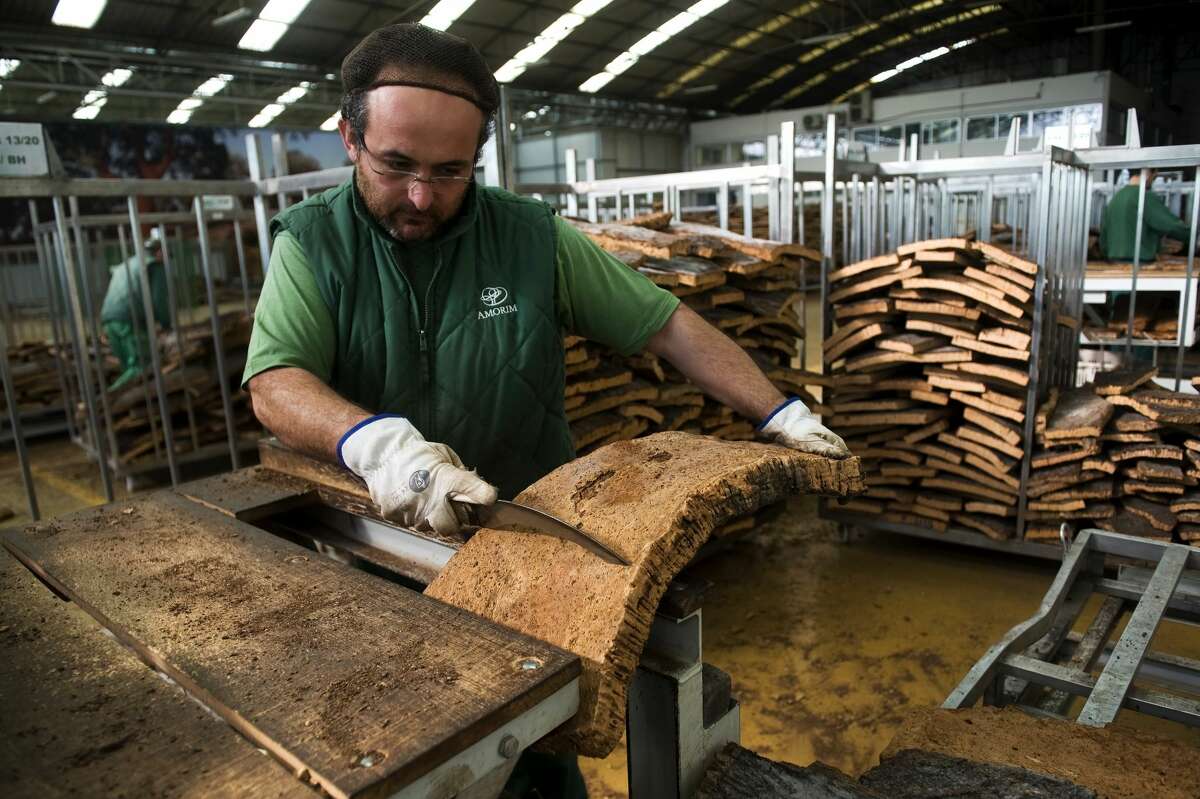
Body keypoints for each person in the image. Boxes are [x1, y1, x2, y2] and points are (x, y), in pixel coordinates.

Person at [241, 23, 849, 796]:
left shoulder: (529, 240)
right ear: (349, 138)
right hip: (381, 565)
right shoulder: (313, 243)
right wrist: (377, 444)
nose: (422, 196)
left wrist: (780, 414)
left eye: (450, 171)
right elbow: (275, 381)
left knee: (538, 754)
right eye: (396, 166)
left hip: (531, 568)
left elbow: (666, 324)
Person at [101, 235, 171, 391]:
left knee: (128, 368)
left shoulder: (127, 264)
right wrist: (167, 325)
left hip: (109, 318)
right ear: (159, 252)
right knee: (141, 366)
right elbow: (159, 300)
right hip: (129, 319)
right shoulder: (153, 266)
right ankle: (105, 402)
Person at [1099, 168, 1194, 262]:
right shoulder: (1144, 196)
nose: (1153, 181)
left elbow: (1103, 240)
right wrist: (1193, 235)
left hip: (1114, 264)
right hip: (1139, 264)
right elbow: (1170, 225)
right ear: (1148, 173)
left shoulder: (1116, 198)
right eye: (1154, 177)